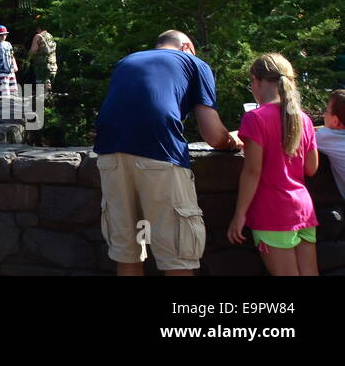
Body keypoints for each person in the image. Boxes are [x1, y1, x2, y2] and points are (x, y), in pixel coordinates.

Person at [93, 30, 241, 276]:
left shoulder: (126, 62)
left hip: (110, 156)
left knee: (129, 251)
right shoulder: (194, 63)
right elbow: (213, 136)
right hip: (160, 156)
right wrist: (232, 140)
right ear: (186, 46)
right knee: (177, 255)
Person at [227, 53, 319, 276]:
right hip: (303, 210)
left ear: (256, 81)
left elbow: (252, 171)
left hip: (272, 213)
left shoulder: (255, 118)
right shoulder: (303, 119)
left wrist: (240, 215)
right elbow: (311, 168)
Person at [316, 89, 345, 197]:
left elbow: (306, 135)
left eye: (327, 111)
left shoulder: (325, 137)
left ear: (335, 121)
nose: (324, 114)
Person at [0, 25, 18, 99]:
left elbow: (12, 56)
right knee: (5, 91)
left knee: (14, 90)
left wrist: (14, 65)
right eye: (1, 35)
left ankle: (14, 105)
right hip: (1, 71)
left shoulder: (8, 44)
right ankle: (6, 106)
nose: (3, 36)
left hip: (10, 70)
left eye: (5, 34)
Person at [28, 21, 58, 92]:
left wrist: (27, 60)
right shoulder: (50, 36)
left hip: (42, 67)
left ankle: (44, 102)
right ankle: (49, 100)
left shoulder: (38, 36)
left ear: (38, 28)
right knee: (48, 89)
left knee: (42, 90)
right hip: (53, 67)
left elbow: (33, 51)